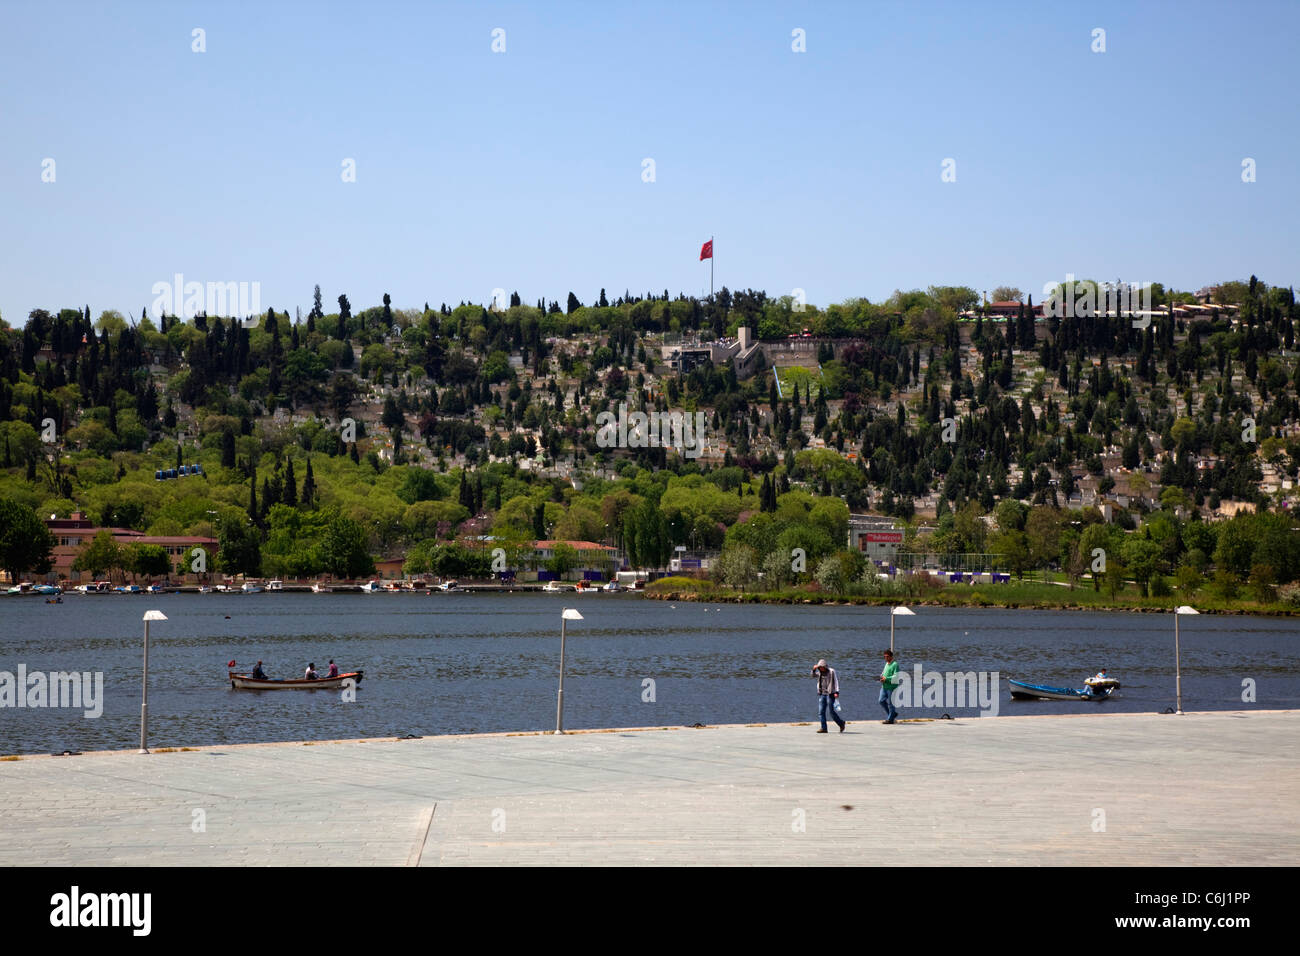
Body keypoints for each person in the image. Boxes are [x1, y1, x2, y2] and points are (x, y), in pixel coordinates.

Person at [811, 659, 846, 733]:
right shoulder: (819, 672)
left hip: (831, 694)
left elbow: (836, 681)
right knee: (821, 712)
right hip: (822, 694)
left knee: (831, 712)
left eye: (822, 667)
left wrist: (837, 691)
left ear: (825, 666)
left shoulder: (831, 671)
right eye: (819, 667)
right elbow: (813, 676)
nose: (821, 669)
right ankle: (824, 728)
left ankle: (841, 723)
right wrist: (813, 670)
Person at [878, 649, 899, 724]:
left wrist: (886, 678)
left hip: (892, 687)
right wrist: (882, 677)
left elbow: (896, 676)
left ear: (891, 657)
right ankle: (892, 714)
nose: (886, 658)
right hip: (884, 686)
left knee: (891, 703)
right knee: (881, 701)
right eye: (884, 657)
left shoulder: (895, 665)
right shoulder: (886, 664)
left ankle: (890, 719)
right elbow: (883, 673)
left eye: (887, 657)